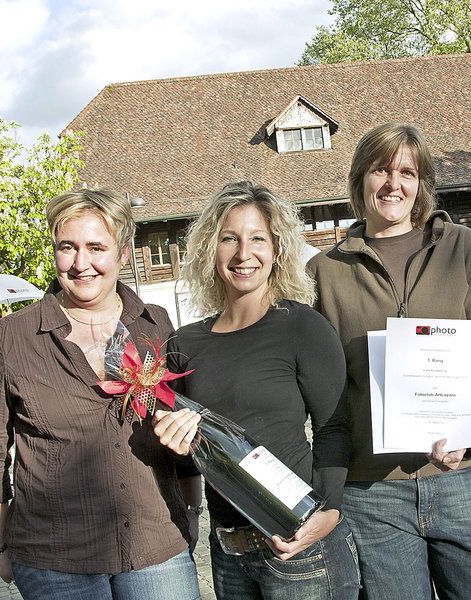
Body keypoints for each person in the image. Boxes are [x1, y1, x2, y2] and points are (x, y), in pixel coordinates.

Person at [308, 122, 471, 600]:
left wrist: (469, 428)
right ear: (360, 180)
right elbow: (324, 385)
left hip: (461, 476)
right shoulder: (326, 271)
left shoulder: (460, 246)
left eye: (407, 172)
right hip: (374, 490)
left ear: (421, 183)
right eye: (381, 170)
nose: (394, 183)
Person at [0, 188, 202, 599]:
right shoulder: (11, 337)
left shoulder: (155, 325)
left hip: (156, 544)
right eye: (67, 247)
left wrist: (191, 509)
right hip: (55, 558)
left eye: (96, 247)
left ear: (124, 253)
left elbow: (179, 426)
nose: (80, 263)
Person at [152, 181, 359, 599]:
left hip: (301, 547)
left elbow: (334, 428)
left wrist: (330, 511)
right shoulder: (183, 345)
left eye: (257, 239)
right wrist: (168, 435)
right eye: (230, 238)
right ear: (211, 250)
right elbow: (183, 450)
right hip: (228, 554)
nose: (244, 254)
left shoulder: (303, 326)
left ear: (277, 249)